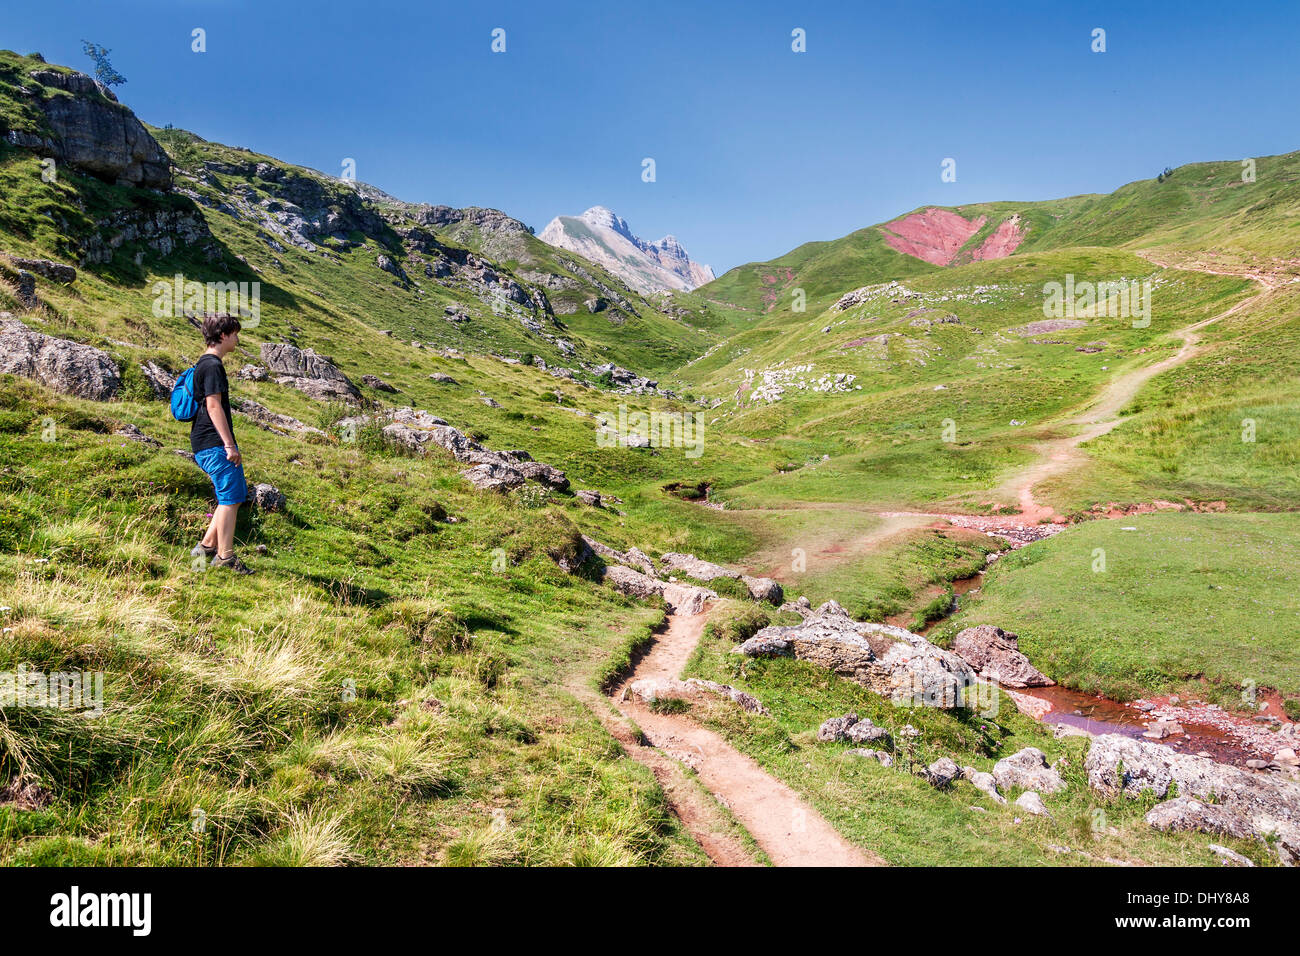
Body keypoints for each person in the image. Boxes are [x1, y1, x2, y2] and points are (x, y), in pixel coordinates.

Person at [189, 313, 253, 574]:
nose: (237, 339)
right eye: (235, 334)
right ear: (223, 336)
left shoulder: (202, 364)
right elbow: (214, 406)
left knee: (232, 496)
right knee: (230, 498)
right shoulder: (213, 366)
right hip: (215, 443)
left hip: (204, 442)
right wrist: (229, 445)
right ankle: (225, 557)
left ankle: (205, 549)